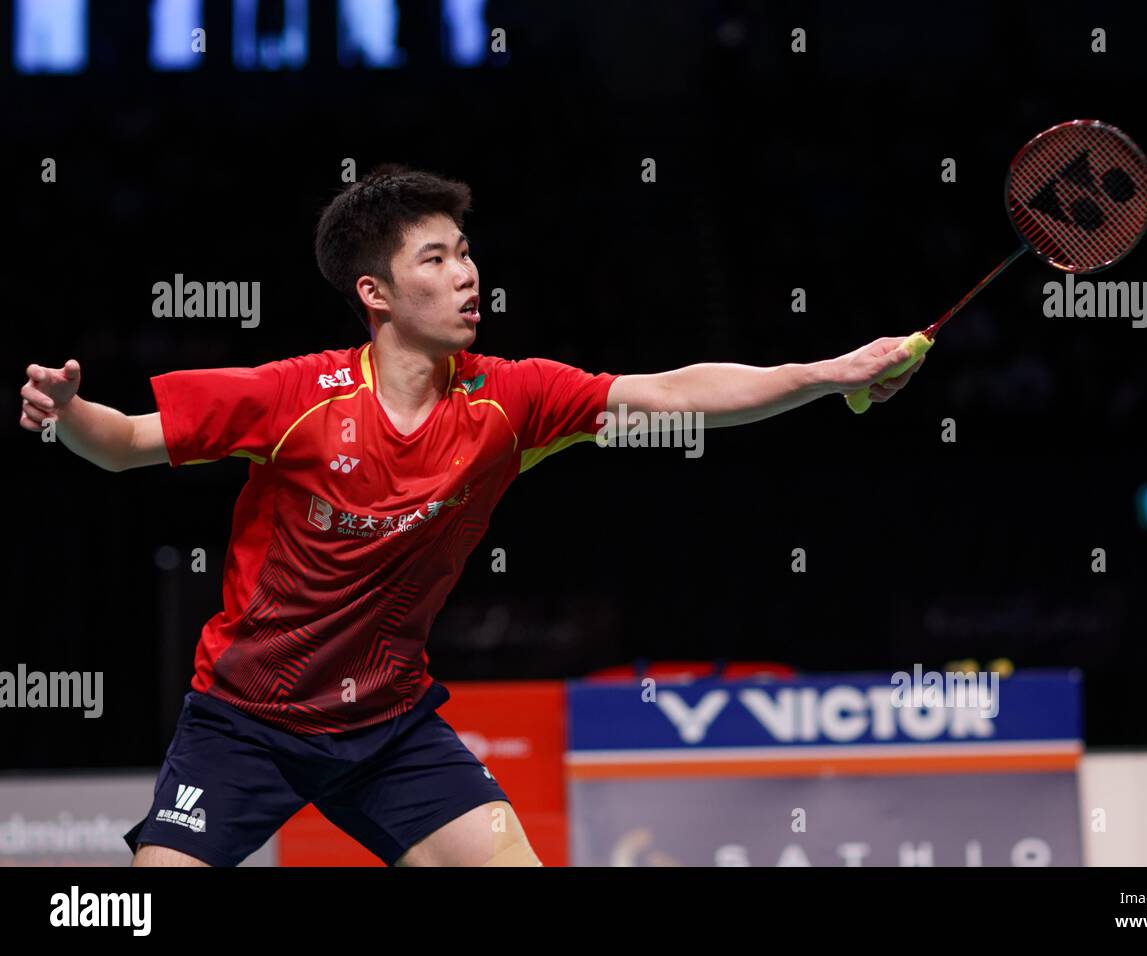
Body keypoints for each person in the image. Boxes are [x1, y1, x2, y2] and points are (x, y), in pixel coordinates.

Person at [18, 164, 924, 867]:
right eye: (436, 258)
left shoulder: (509, 401)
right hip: (246, 722)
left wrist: (824, 374)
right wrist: (65, 419)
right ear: (375, 294)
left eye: (465, 251)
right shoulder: (295, 396)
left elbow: (669, 393)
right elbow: (127, 439)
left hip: (390, 728)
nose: (466, 274)